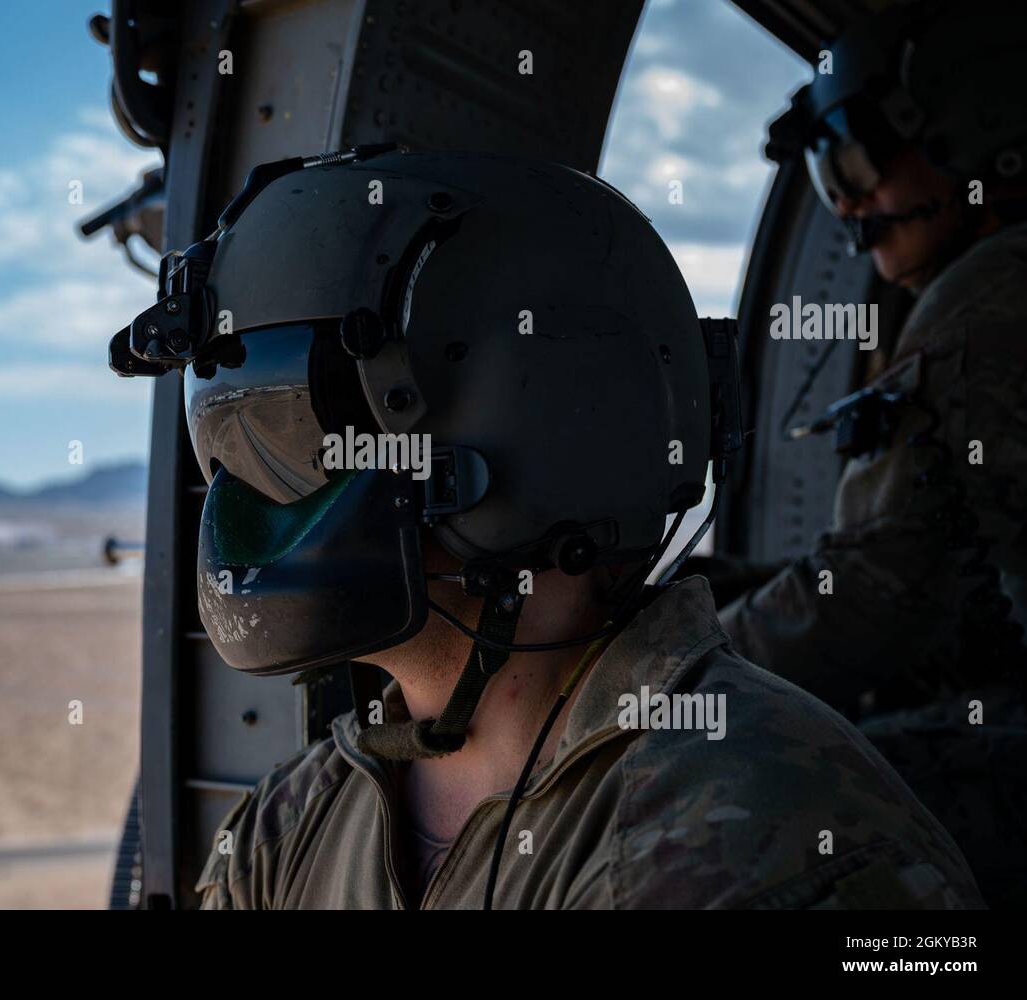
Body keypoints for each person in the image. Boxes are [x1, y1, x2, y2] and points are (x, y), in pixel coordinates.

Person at [114, 146, 982, 908]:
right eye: (226, 430)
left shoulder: (753, 835)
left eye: (308, 430)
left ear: (541, 415)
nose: (252, 492)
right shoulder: (291, 824)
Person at [717, 2, 1027, 905]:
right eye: (829, 178)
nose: (848, 204)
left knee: (765, 806)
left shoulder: (991, 292)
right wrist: (719, 591)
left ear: (978, 129)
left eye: (857, 162)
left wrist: (673, 669)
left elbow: (878, 594)